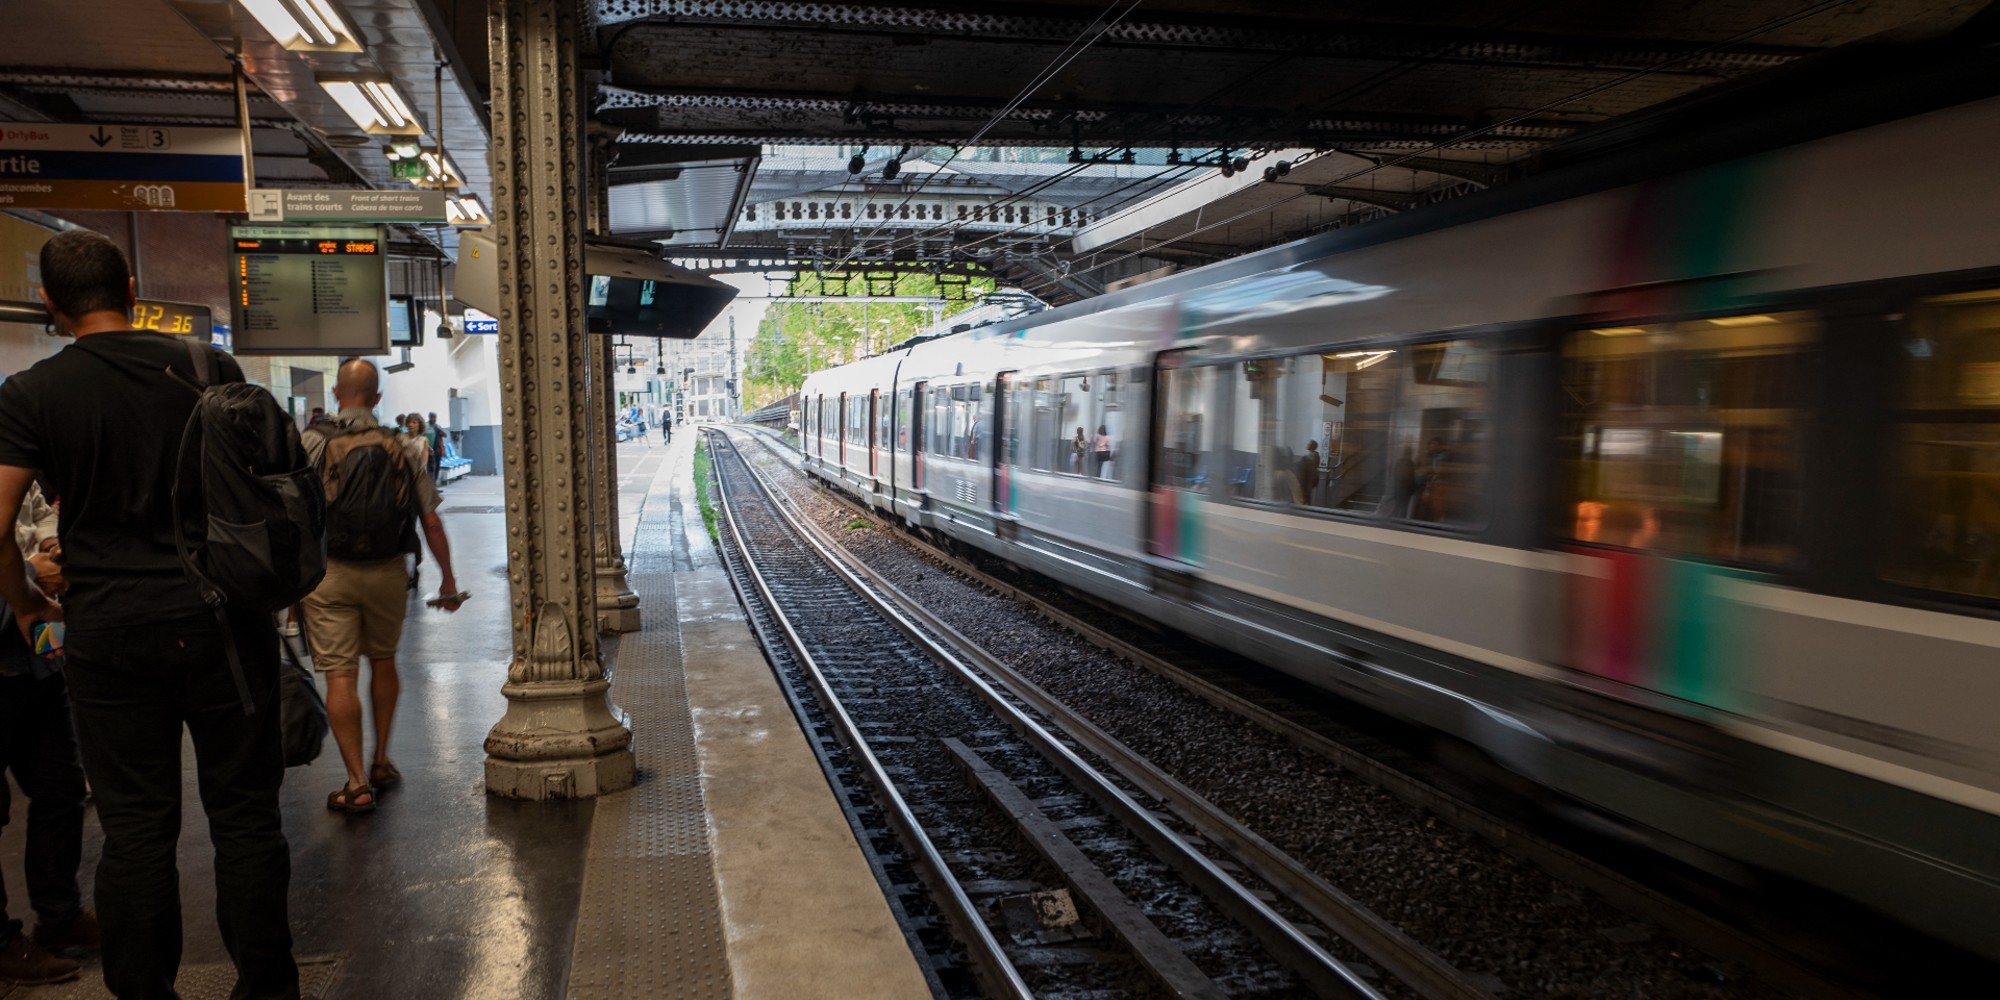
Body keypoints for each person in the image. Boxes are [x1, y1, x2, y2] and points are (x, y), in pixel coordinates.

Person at [0, 228, 301, 999]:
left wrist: (29, 603)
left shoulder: (31, 393)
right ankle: (267, 988)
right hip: (222, 624)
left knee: (135, 829)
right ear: (132, 287)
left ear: (49, 304)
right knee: (244, 816)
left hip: (106, 633)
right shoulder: (209, 366)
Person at [302, 360, 462, 815]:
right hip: (389, 570)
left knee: (340, 673)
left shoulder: (311, 443)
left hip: (329, 573)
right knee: (384, 661)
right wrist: (448, 579)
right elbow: (430, 518)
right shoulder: (404, 446)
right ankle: (381, 761)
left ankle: (355, 783)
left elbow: (292, 517)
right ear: (377, 399)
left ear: (336, 393)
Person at [0, 482, 95, 986]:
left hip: (36, 649)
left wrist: (53, 547)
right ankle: (0, 944)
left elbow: (39, 511)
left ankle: (59, 917)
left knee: (61, 787)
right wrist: (31, 571)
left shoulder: (9, 455)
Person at [1296, 440, 1321, 504]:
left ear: (1313, 446)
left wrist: (1305, 460)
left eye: (1309, 444)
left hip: (1310, 477)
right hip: (1307, 476)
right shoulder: (1308, 455)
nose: (1307, 445)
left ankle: (1307, 505)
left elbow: (1313, 466)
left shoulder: (1315, 455)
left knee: (1307, 492)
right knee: (1305, 492)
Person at [424, 412, 444, 487]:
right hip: (430, 450)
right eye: (432, 417)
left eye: (435, 417)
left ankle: (434, 484)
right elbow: (423, 437)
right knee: (432, 468)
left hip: (438, 450)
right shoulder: (426, 426)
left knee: (437, 467)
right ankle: (431, 486)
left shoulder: (438, 426)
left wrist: (439, 430)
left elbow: (445, 435)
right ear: (429, 417)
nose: (434, 419)